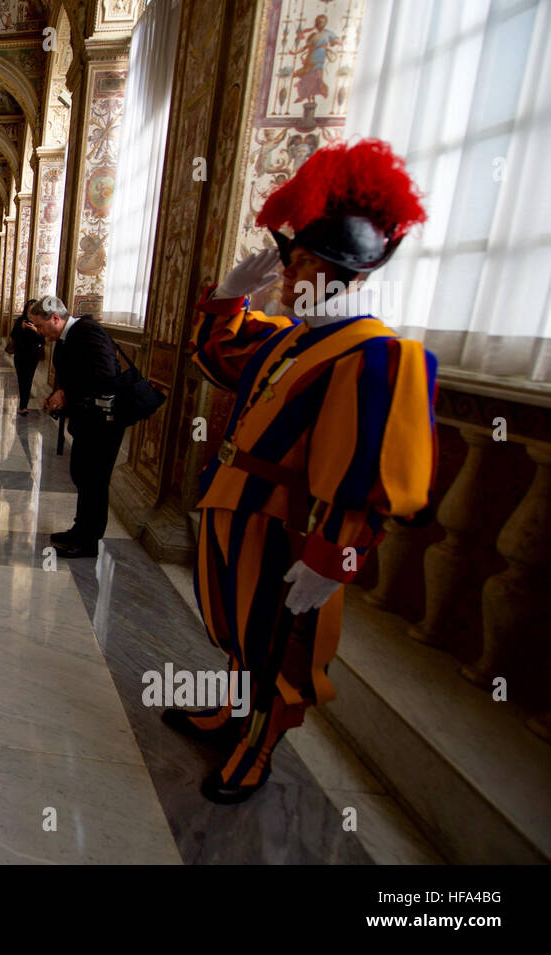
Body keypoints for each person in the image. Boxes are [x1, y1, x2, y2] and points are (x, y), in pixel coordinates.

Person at [169, 138, 436, 803]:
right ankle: (230, 711)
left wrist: (332, 559)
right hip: (236, 504)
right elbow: (219, 357)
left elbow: (373, 481)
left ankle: (256, 748)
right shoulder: (288, 335)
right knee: (234, 626)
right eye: (296, 261)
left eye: (307, 264)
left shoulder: (380, 354)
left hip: (294, 525)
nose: (291, 276)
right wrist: (226, 300)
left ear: (346, 273)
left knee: (280, 645)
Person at [29, 296, 122, 559]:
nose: (39, 331)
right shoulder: (66, 338)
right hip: (87, 420)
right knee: (83, 475)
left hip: (104, 423)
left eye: (40, 326)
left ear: (55, 319)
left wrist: (66, 394)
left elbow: (105, 376)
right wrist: (60, 393)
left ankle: (88, 542)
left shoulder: (88, 332)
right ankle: (79, 530)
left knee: (94, 480)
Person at [7, 297, 43, 415]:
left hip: (32, 355)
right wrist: (21, 328)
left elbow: (43, 339)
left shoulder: (39, 323)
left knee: (28, 380)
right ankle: (23, 403)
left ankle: (23, 406)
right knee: (22, 379)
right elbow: (13, 335)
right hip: (20, 354)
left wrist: (35, 330)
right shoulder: (20, 320)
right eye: (29, 310)